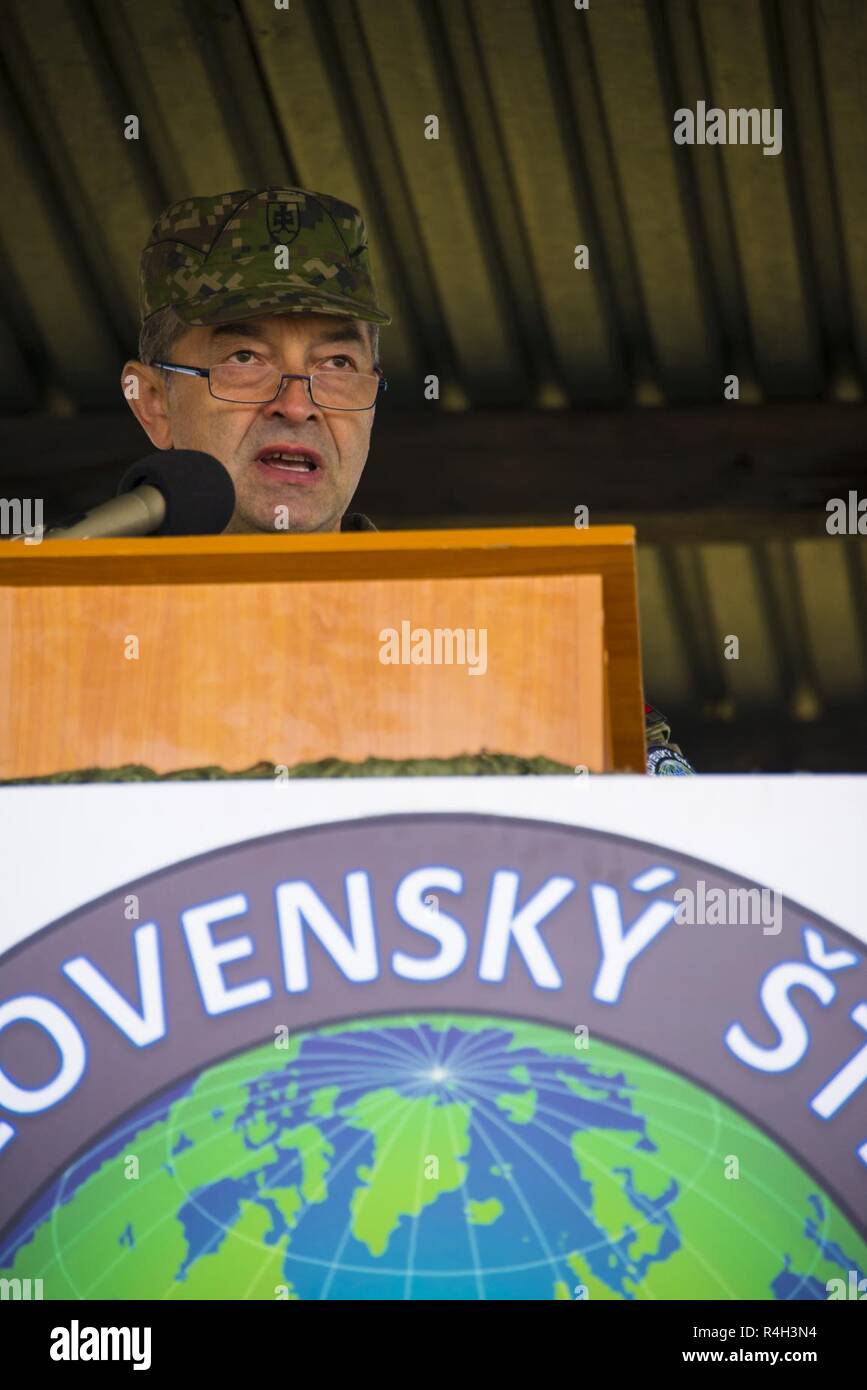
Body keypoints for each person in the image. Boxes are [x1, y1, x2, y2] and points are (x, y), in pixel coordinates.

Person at [122, 184, 694, 775]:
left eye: (337, 365)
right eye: (245, 359)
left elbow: (669, 833)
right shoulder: (73, 635)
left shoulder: (498, 647)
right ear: (154, 401)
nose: (296, 404)